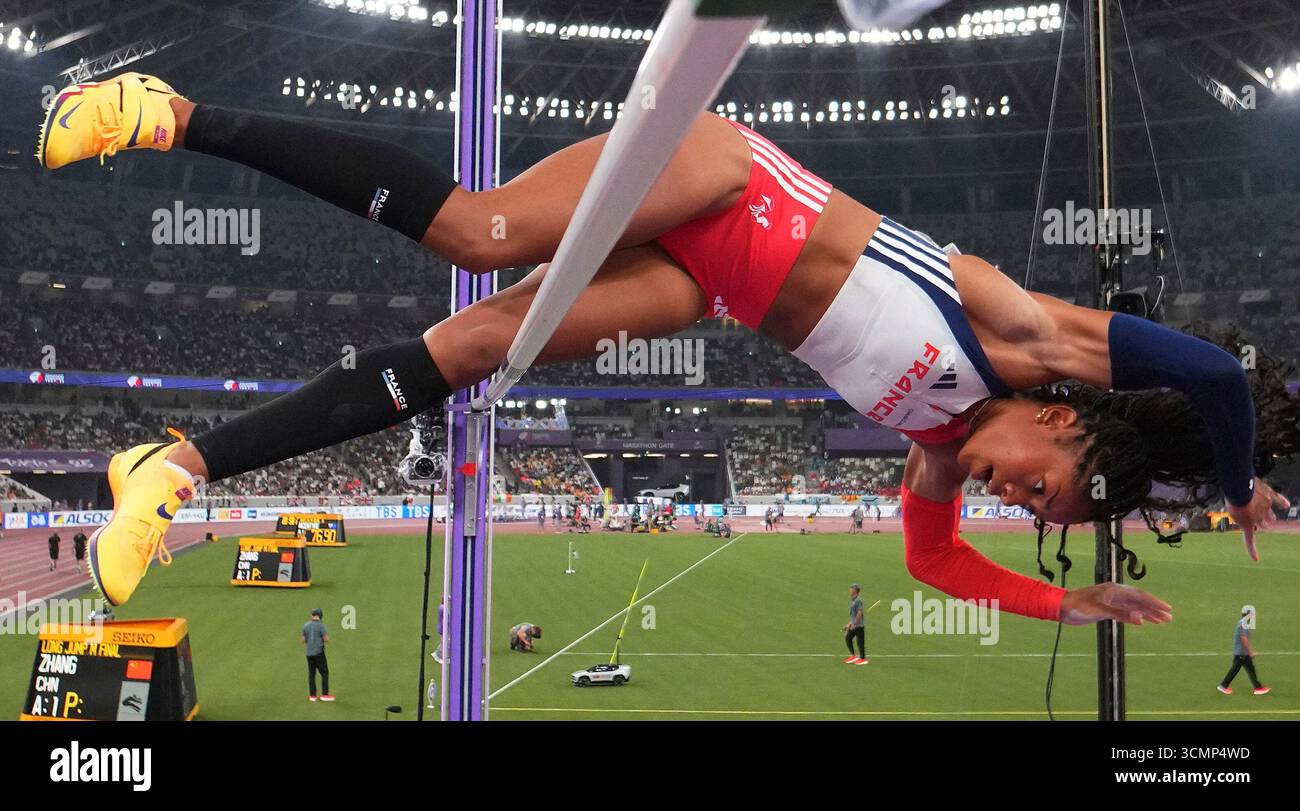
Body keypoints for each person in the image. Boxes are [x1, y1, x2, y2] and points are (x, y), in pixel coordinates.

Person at [44, 73, 1295, 625]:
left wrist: (1054, 595)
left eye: (1026, 512)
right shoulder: (1032, 339)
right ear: (1069, 417)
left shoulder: (932, 445)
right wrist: (1234, 481)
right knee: (482, 238)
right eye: (1043, 485)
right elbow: (1212, 375)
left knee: (480, 347)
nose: (1012, 493)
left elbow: (935, 567)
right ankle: (164, 112)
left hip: (709, 285)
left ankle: (178, 465)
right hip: (734, 182)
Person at [1218, 605, 1270, 696]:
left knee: (1250, 670)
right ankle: (1223, 685)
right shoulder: (1244, 624)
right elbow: (1244, 639)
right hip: (1242, 653)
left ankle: (1258, 687)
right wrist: (1250, 651)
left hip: (1241, 652)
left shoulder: (1242, 622)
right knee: (1236, 670)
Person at [301, 608, 333, 702]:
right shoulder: (321, 626)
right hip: (319, 653)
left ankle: (312, 696)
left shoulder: (305, 625)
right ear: (320, 616)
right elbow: (326, 639)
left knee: (311, 674)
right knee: (324, 673)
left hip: (309, 654)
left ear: (312, 615)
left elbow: (302, 640)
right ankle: (324, 694)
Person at [842, 584, 868, 665]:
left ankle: (862, 658)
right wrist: (849, 624)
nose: (849, 590)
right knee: (847, 638)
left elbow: (859, 613)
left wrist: (854, 624)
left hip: (859, 626)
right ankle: (853, 656)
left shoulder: (858, 601)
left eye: (851, 589)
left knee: (860, 642)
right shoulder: (852, 600)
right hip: (854, 624)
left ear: (855, 591)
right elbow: (853, 615)